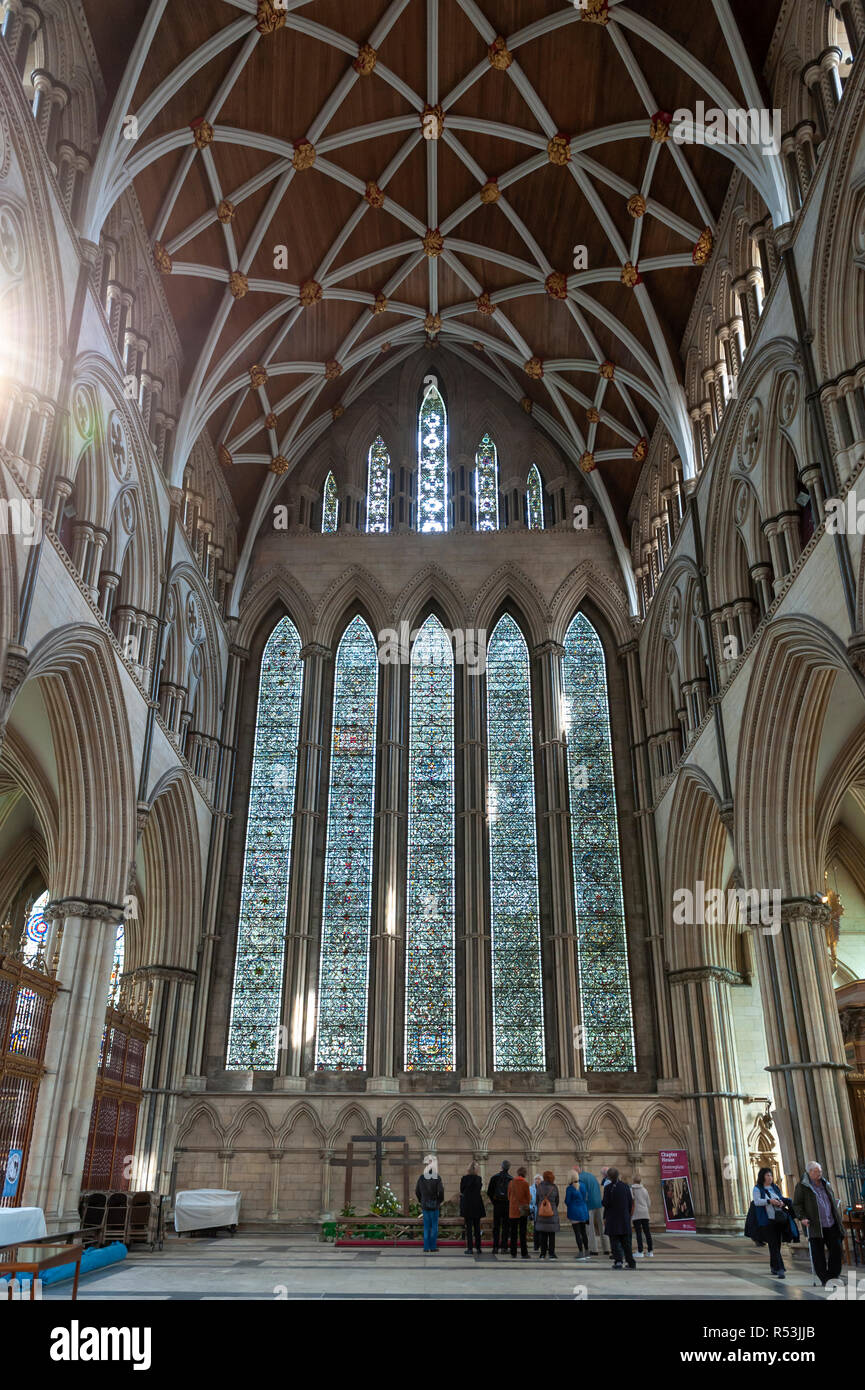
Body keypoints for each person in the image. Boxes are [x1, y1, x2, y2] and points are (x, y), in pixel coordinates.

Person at [793, 1161, 846, 1288]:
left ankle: (833, 1276)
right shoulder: (802, 1186)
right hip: (815, 1225)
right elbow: (797, 1204)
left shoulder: (825, 1183)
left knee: (836, 1250)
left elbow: (829, 1198)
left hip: (831, 1222)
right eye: (817, 1171)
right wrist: (802, 1217)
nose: (820, 1173)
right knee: (818, 1254)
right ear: (809, 1172)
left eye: (820, 1171)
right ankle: (825, 1278)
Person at [752, 1166, 789, 1279]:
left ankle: (773, 1266)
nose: (770, 1177)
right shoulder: (758, 1188)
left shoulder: (775, 1187)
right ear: (762, 1176)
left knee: (776, 1244)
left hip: (777, 1219)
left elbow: (781, 1197)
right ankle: (780, 1269)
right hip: (767, 1220)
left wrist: (781, 1202)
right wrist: (769, 1201)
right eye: (768, 1175)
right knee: (773, 1244)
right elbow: (757, 1202)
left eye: (771, 1175)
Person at [603, 1167, 636, 1269]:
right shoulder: (625, 1186)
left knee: (615, 1241)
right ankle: (631, 1262)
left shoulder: (608, 1188)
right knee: (626, 1242)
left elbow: (606, 1203)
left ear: (608, 1177)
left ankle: (618, 1261)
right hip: (624, 1218)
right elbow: (630, 1202)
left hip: (613, 1219)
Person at [415, 1157, 444, 1254]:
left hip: (425, 1205)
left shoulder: (421, 1178)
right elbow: (441, 1191)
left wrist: (421, 1200)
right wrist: (439, 1201)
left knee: (426, 1226)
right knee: (434, 1226)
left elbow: (417, 1191)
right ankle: (433, 1246)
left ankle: (426, 1247)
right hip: (434, 1205)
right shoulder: (437, 1177)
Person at [579, 1166, 607, 1255]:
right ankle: (607, 1248)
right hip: (598, 1203)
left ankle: (594, 1249)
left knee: (590, 1228)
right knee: (602, 1226)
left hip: (589, 1205)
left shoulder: (580, 1178)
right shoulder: (591, 1176)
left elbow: (582, 1193)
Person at [486, 1159, 512, 1254]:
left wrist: (494, 1201)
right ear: (509, 1168)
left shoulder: (494, 1178)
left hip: (497, 1204)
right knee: (505, 1226)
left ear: (501, 1167)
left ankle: (495, 1247)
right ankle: (504, 1248)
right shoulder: (511, 1179)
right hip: (506, 1205)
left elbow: (489, 1192)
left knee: (496, 1226)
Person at [460, 1161, 484, 1256]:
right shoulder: (479, 1179)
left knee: (469, 1228)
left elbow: (461, 1190)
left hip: (467, 1205)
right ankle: (478, 1248)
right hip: (477, 1205)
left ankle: (470, 1248)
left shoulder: (464, 1179)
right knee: (477, 1227)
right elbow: (479, 1189)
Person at [534, 1169, 560, 1259]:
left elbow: (537, 1201)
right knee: (551, 1235)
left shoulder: (539, 1187)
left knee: (543, 1234)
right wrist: (552, 1208)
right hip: (552, 1214)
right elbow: (557, 1201)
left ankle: (542, 1253)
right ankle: (552, 1253)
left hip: (541, 1214)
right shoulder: (554, 1187)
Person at [509, 1165, 532, 1259]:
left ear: (518, 1173)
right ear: (525, 1174)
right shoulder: (525, 1183)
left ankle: (513, 1252)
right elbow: (528, 1197)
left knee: (513, 1232)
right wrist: (525, 1203)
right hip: (523, 1210)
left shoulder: (511, 1183)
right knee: (522, 1232)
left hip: (513, 1210)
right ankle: (524, 1253)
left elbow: (508, 1195)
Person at [565, 1170, 589, 1258]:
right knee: (583, 1232)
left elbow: (567, 1201)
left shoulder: (570, 1188)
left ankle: (580, 1252)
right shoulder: (583, 1185)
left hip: (574, 1212)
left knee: (577, 1233)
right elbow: (586, 1197)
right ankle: (587, 1251)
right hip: (583, 1210)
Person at [631, 1176, 653, 1258]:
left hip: (637, 1213)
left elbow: (631, 1201)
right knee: (647, 1232)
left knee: (638, 1232)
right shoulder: (645, 1190)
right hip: (645, 1213)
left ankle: (640, 1251)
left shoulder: (632, 1189)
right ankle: (650, 1251)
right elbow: (649, 1203)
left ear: (633, 1181)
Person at [529, 1172, 543, 1251]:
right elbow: (529, 1200)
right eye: (536, 1179)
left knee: (542, 1228)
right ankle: (536, 1245)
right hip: (534, 1210)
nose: (537, 1181)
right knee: (536, 1228)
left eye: (539, 1179)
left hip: (542, 1210)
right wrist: (531, 1207)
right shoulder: (530, 1188)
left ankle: (542, 1244)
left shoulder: (543, 1188)